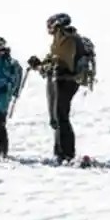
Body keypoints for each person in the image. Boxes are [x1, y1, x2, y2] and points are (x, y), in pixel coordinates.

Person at [27, 13, 80, 163]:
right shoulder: (59, 39)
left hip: (66, 80)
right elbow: (53, 59)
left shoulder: (66, 38)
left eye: (50, 25)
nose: (48, 29)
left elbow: (61, 62)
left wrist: (45, 66)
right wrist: (40, 64)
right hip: (62, 80)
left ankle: (66, 154)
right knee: (58, 116)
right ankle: (60, 152)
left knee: (61, 115)